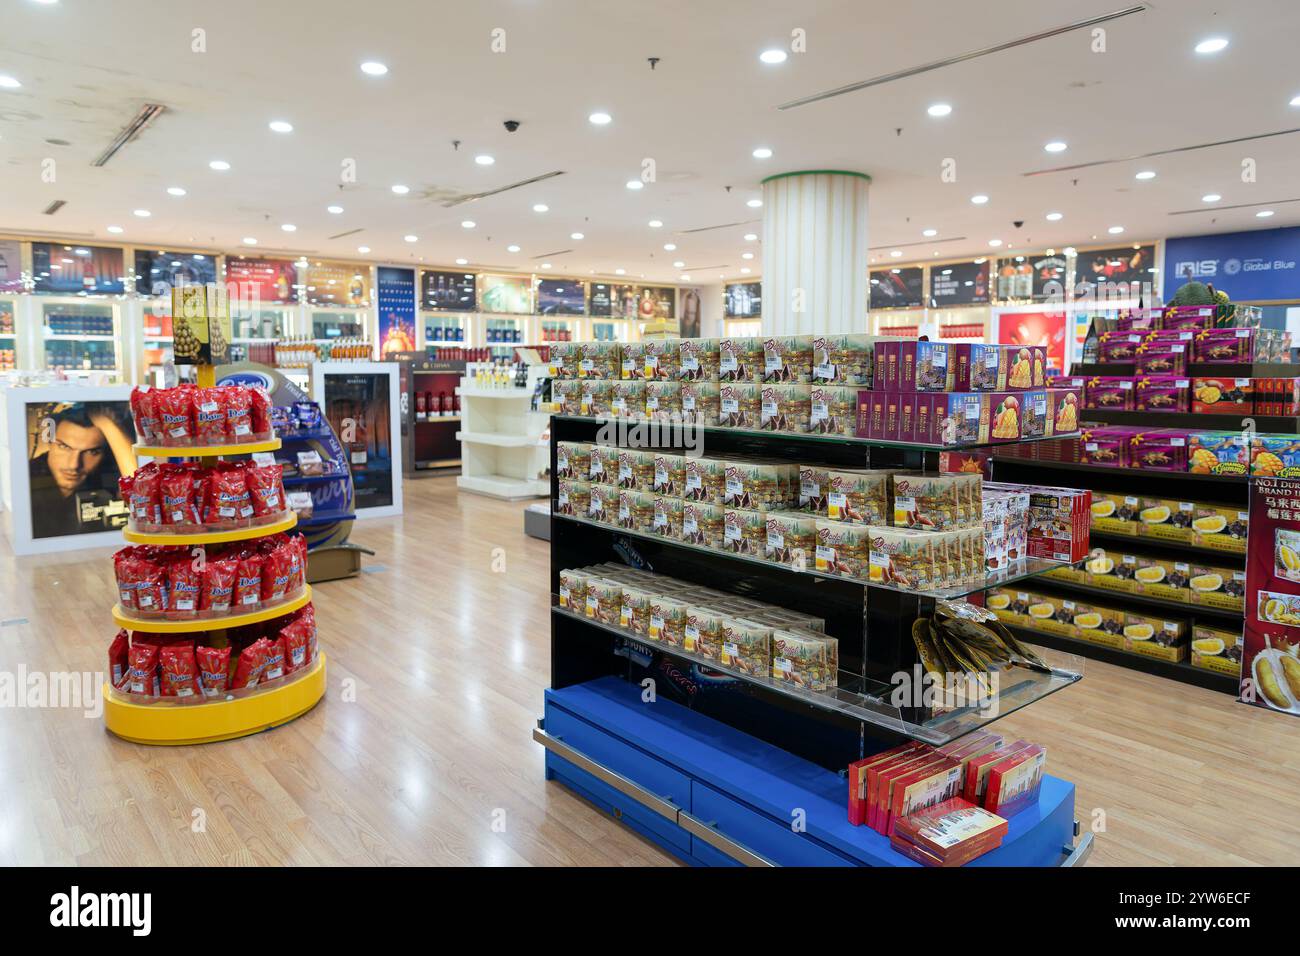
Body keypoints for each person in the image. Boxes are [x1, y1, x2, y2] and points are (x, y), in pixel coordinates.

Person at [28, 403, 135, 538]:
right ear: (49, 441)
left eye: (91, 452)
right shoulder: (27, 475)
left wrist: (107, 424)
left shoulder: (105, 475)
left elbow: (142, 497)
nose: (74, 465)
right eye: (64, 447)